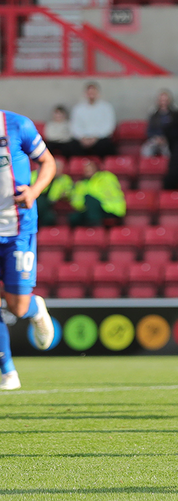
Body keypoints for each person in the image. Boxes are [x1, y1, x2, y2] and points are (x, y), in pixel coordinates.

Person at [0, 110, 57, 391]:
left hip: (18, 229)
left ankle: (35, 308)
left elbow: (48, 162)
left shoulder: (18, 124)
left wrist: (33, 192)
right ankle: (8, 371)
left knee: (17, 305)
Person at [68, 159, 126, 227]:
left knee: (89, 198)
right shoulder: (82, 183)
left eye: (90, 169)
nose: (87, 171)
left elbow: (105, 195)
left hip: (110, 209)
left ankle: (96, 228)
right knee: (74, 217)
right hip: (89, 210)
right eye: (86, 170)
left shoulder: (106, 177)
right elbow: (76, 201)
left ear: (96, 168)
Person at [68, 81, 116, 157]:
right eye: (89, 93)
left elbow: (109, 126)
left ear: (98, 93)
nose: (91, 95)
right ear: (85, 93)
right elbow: (74, 126)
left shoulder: (106, 107)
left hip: (99, 138)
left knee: (107, 145)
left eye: (93, 92)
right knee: (71, 145)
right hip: (82, 139)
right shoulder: (78, 108)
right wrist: (82, 138)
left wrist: (95, 138)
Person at [33, 157, 73, 227]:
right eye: (55, 167)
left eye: (59, 168)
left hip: (53, 206)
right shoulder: (37, 175)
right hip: (37, 202)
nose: (57, 170)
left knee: (48, 217)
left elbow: (68, 192)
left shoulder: (65, 179)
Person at [142, 89, 177, 158]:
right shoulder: (154, 114)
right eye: (162, 100)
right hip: (155, 140)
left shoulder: (174, 115)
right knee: (146, 150)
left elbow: (175, 130)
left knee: (169, 151)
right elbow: (149, 130)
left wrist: (166, 138)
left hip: (168, 140)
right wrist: (156, 138)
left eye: (165, 100)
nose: (163, 102)